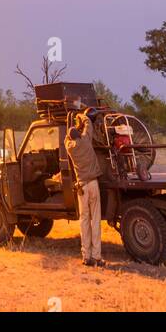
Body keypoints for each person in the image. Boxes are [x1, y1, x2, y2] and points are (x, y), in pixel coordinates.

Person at [64, 109, 105, 267]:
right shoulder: (86, 140)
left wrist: (72, 126)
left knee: (84, 221)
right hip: (93, 184)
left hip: (81, 186)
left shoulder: (70, 148)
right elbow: (88, 124)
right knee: (95, 220)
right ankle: (97, 256)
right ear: (80, 134)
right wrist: (80, 116)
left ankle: (86, 256)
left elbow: (66, 139)